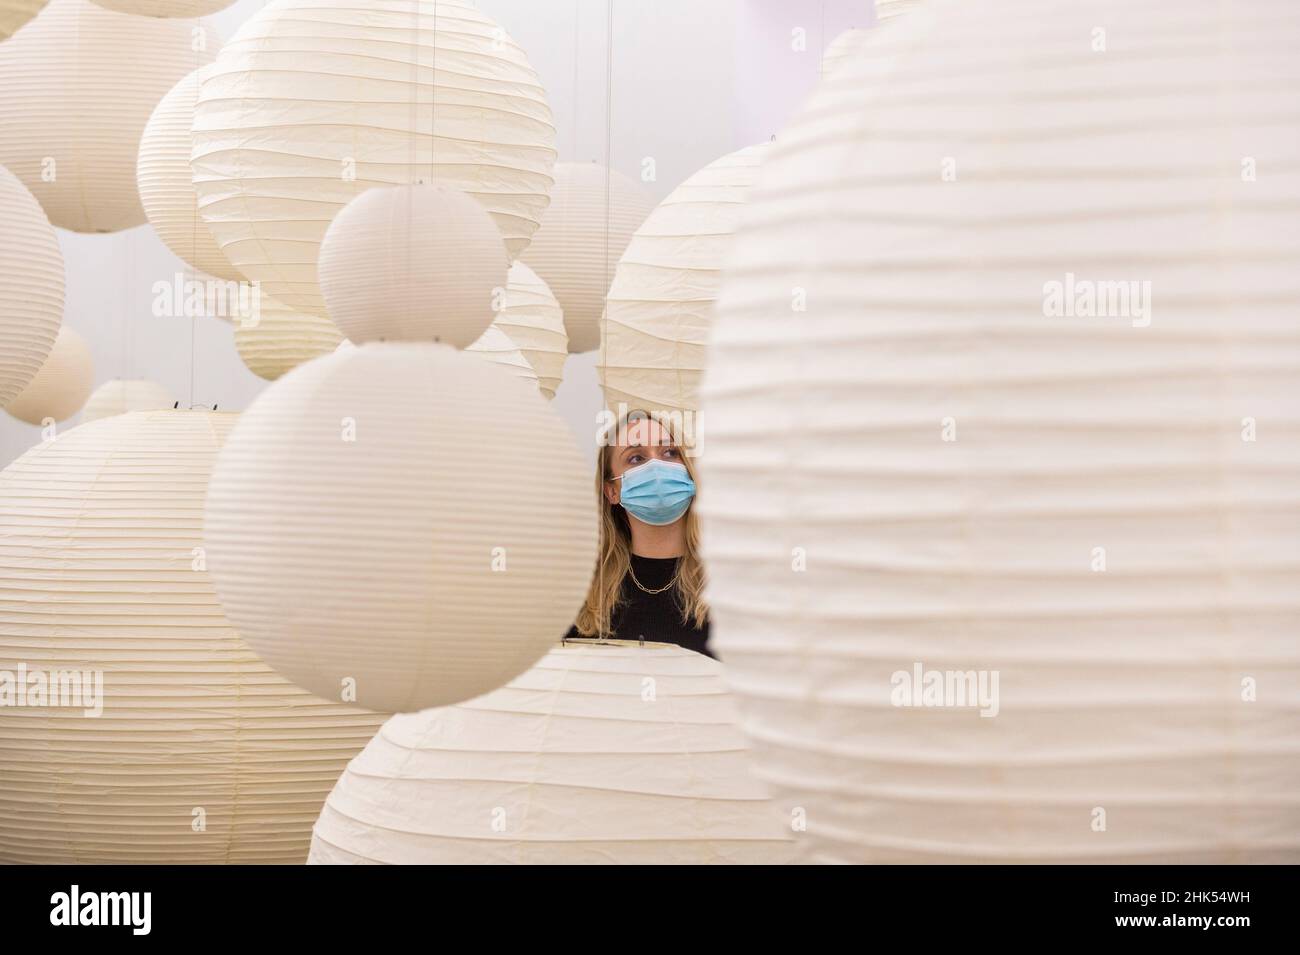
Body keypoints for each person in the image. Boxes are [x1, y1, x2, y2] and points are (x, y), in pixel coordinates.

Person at [567, 411, 712, 656]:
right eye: (636, 458)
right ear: (611, 491)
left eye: (669, 452)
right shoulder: (582, 595)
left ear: (689, 470)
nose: (657, 466)